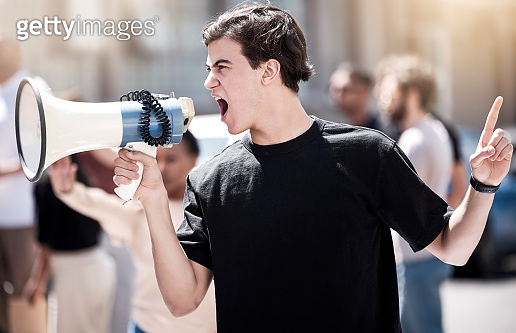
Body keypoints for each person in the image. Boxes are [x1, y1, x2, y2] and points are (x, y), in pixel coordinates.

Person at [112, 4, 513, 332]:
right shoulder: (209, 181)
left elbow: (453, 248)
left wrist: (483, 185)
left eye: (222, 67)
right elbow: (182, 302)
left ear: (268, 71)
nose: (209, 83)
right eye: (208, 70)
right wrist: (152, 199)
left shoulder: (367, 154)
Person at [49, 132, 217, 333]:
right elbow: (99, 205)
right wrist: (69, 191)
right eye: (156, 160)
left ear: (193, 158)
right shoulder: (138, 211)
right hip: (148, 327)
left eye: (171, 159)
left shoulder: (214, 208)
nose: (161, 168)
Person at [375, 54, 454, 333]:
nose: (383, 100)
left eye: (389, 92)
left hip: (417, 259)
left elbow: (398, 204)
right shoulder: (434, 129)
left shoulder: (415, 140)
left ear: (412, 94)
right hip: (427, 256)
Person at [23, 155, 116, 333]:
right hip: (101, 266)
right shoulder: (81, 177)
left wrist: (37, 281)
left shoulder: (47, 185)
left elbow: (46, 241)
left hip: (74, 275)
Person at [0, 35, 40, 333]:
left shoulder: (32, 88)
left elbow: (39, 147)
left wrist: (7, 169)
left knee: (29, 295)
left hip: (22, 216)